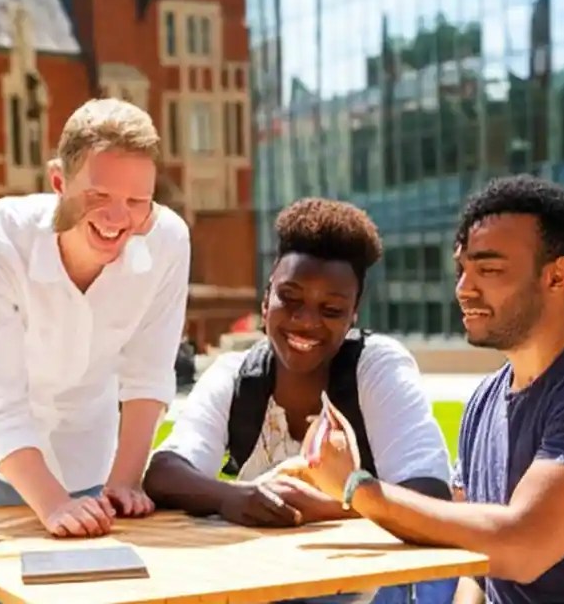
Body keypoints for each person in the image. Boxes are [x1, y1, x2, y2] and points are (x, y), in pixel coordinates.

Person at [289, 175, 564, 604]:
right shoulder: (486, 399)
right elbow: (466, 541)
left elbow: (521, 547)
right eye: (462, 269)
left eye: (489, 269)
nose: (464, 288)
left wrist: (356, 487)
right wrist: (326, 498)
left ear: (557, 276)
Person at [144, 197, 456, 604]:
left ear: (353, 316)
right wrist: (233, 497)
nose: (307, 321)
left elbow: (430, 493)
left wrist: (326, 506)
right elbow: (165, 471)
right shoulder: (236, 376)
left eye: (331, 309)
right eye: (290, 299)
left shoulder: (376, 368)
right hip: (267, 584)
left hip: (370, 588)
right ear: (265, 299)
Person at [0, 98, 189, 602]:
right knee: (5, 588)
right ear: (59, 182)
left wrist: (125, 480)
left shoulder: (168, 240)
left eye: (138, 200)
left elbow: (149, 372)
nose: (119, 217)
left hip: (86, 436)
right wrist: (52, 504)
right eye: (98, 194)